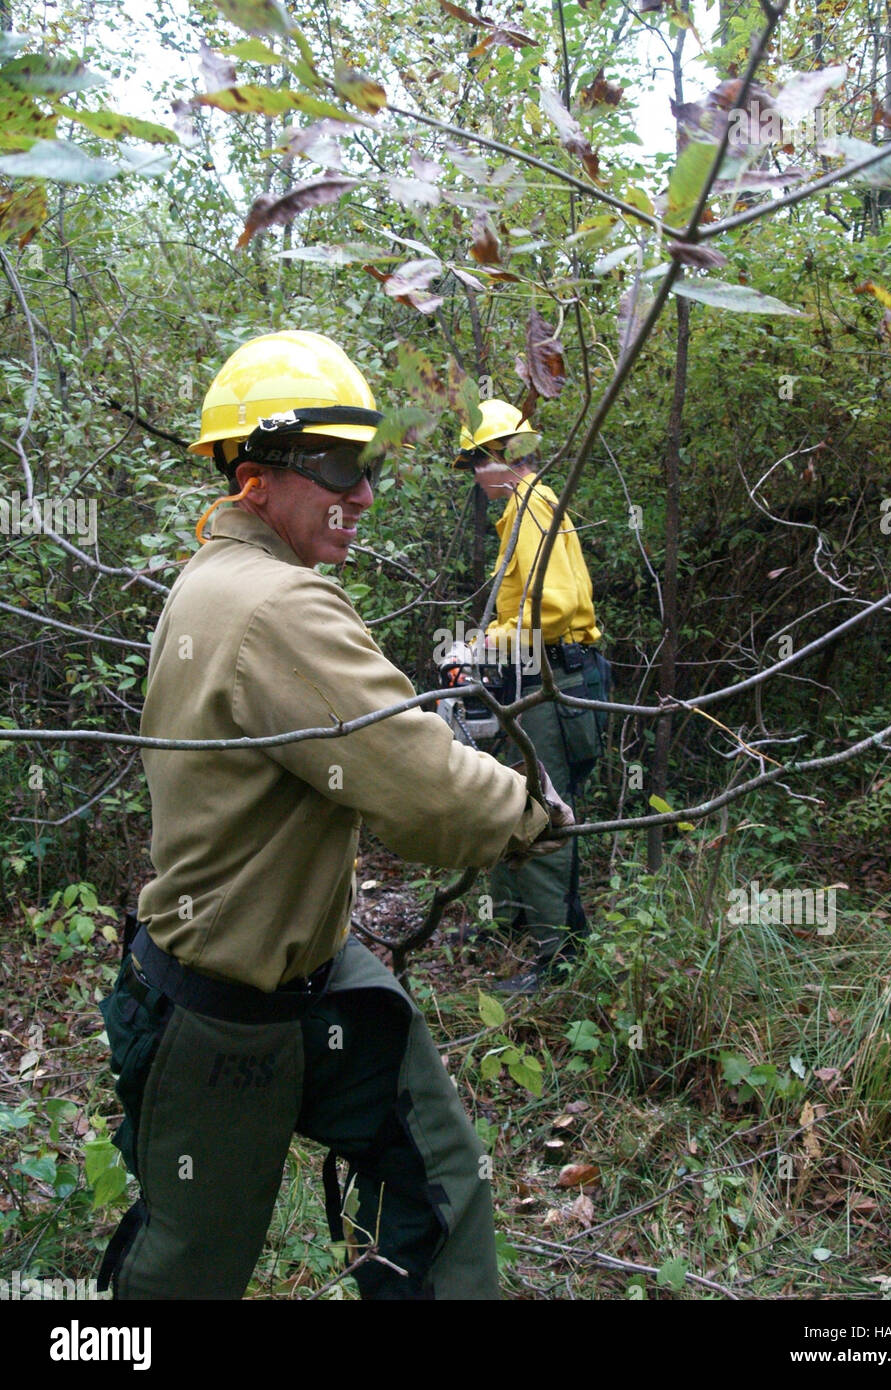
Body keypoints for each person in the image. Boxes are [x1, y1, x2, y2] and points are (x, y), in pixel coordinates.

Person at [95, 332, 573, 1301]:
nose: (363, 495)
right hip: (225, 1007)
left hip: (316, 970)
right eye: (341, 468)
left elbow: (361, 747)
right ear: (256, 475)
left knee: (440, 1177)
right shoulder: (276, 605)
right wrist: (531, 812)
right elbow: (424, 794)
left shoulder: (215, 577)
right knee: (189, 1268)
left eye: (369, 468)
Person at [452, 400, 608, 996]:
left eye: (477, 462)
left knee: (542, 810)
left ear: (505, 456)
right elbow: (525, 609)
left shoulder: (531, 504)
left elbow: (556, 609)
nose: (474, 476)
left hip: (554, 680)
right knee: (509, 795)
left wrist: (483, 646)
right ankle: (512, 922)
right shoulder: (522, 507)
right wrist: (481, 647)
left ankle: (561, 958)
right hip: (533, 676)